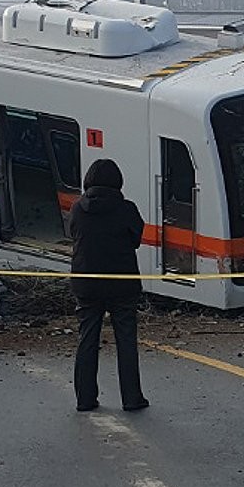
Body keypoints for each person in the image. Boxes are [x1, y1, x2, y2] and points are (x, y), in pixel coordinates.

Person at [69, 158, 150, 412]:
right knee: (126, 340)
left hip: (86, 282)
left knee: (87, 338)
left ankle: (85, 399)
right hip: (121, 283)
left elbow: (72, 234)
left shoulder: (77, 209)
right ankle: (132, 398)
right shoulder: (127, 209)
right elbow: (136, 238)